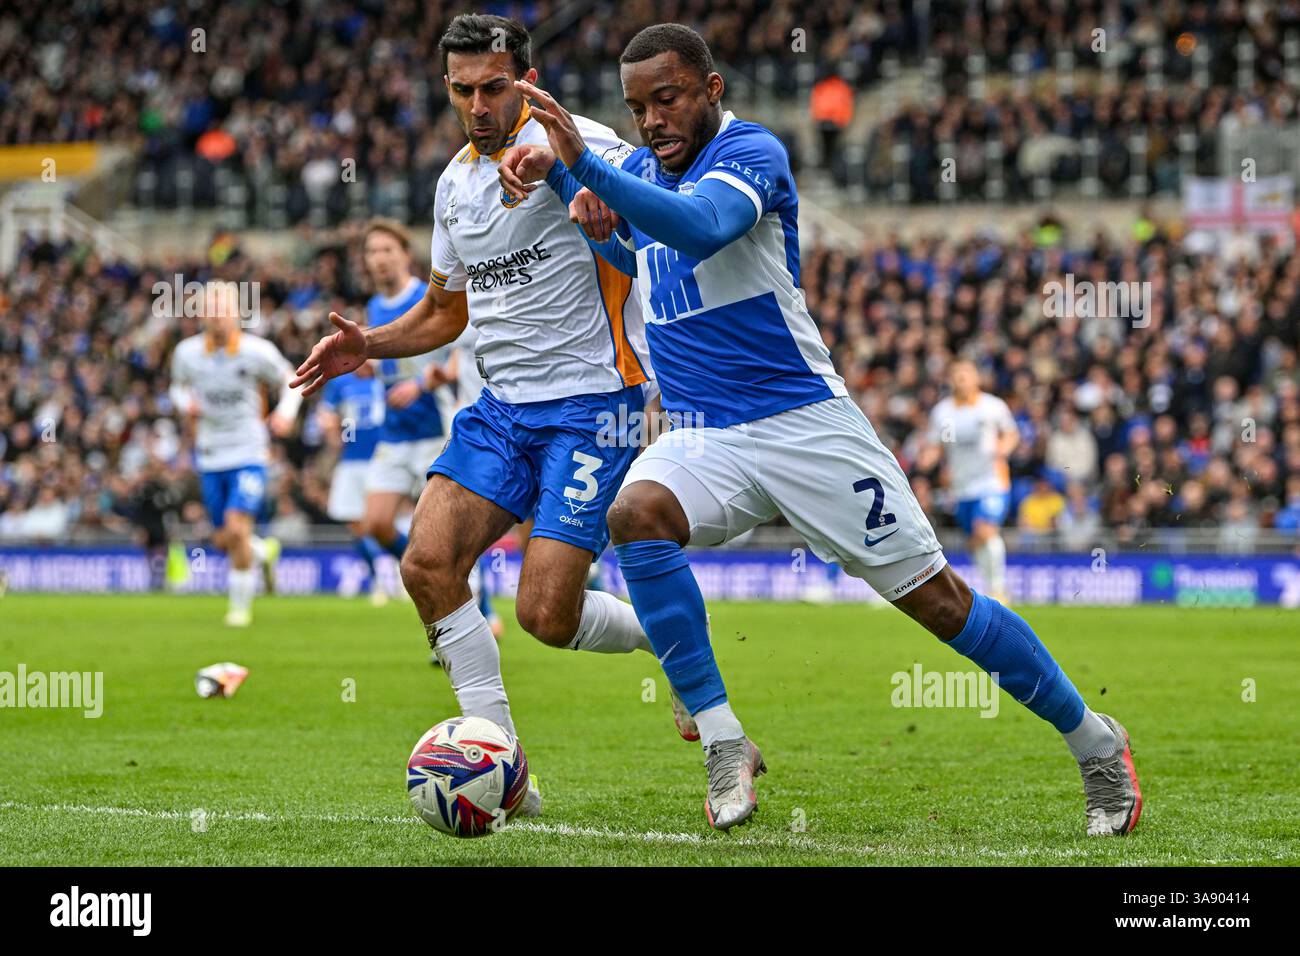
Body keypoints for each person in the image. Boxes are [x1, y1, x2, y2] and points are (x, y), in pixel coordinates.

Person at [500, 23, 1141, 835]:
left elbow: (698, 228)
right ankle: (725, 740)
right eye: (636, 108)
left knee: (940, 603)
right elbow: (642, 255)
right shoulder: (634, 169)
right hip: (707, 431)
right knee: (636, 518)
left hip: (805, 423)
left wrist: (581, 167)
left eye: (667, 99)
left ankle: (1094, 743)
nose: (652, 120)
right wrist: (570, 191)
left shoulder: (751, 155)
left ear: (711, 89)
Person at [291, 15, 696, 810]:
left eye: (493, 86)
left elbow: (660, 209)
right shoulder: (454, 185)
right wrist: (367, 345)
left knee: (545, 614)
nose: (478, 104)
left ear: (527, 77)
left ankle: (672, 639)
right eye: (462, 90)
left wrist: (586, 190)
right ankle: (502, 772)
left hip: (593, 405)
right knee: (426, 565)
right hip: (499, 408)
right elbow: (445, 312)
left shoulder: (585, 143)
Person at [170, 282, 299, 626]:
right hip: (210, 454)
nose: (215, 314)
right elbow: (177, 387)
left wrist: (285, 413)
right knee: (223, 538)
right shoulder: (187, 353)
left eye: (222, 307)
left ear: (237, 312)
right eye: (209, 308)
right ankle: (264, 552)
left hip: (249, 452)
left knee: (237, 526)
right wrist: (186, 403)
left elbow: (292, 380)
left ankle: (239, 608)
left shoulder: (257, 350)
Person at [926, 359, 1019, 603]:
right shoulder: (943, 412)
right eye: (956, 374)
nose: (961, 379)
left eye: (965, 374)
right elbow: (938, 446)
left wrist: (1003, 449)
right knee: (975, 540)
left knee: (985, 529)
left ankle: (998, 590)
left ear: (977, 378)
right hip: (961, 487)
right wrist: (929, 462)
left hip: (992, 481)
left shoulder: (992, 407)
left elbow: (1010, 433)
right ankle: (991, 588)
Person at [317, 358, 392, 604]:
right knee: (355, 523)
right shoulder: (340, 383)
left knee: (381, 521)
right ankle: (378, 576)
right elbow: (325, 412)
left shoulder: (386, 380)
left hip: (382, 459)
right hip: (351, 459)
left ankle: (394, 571)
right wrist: (330, 430)